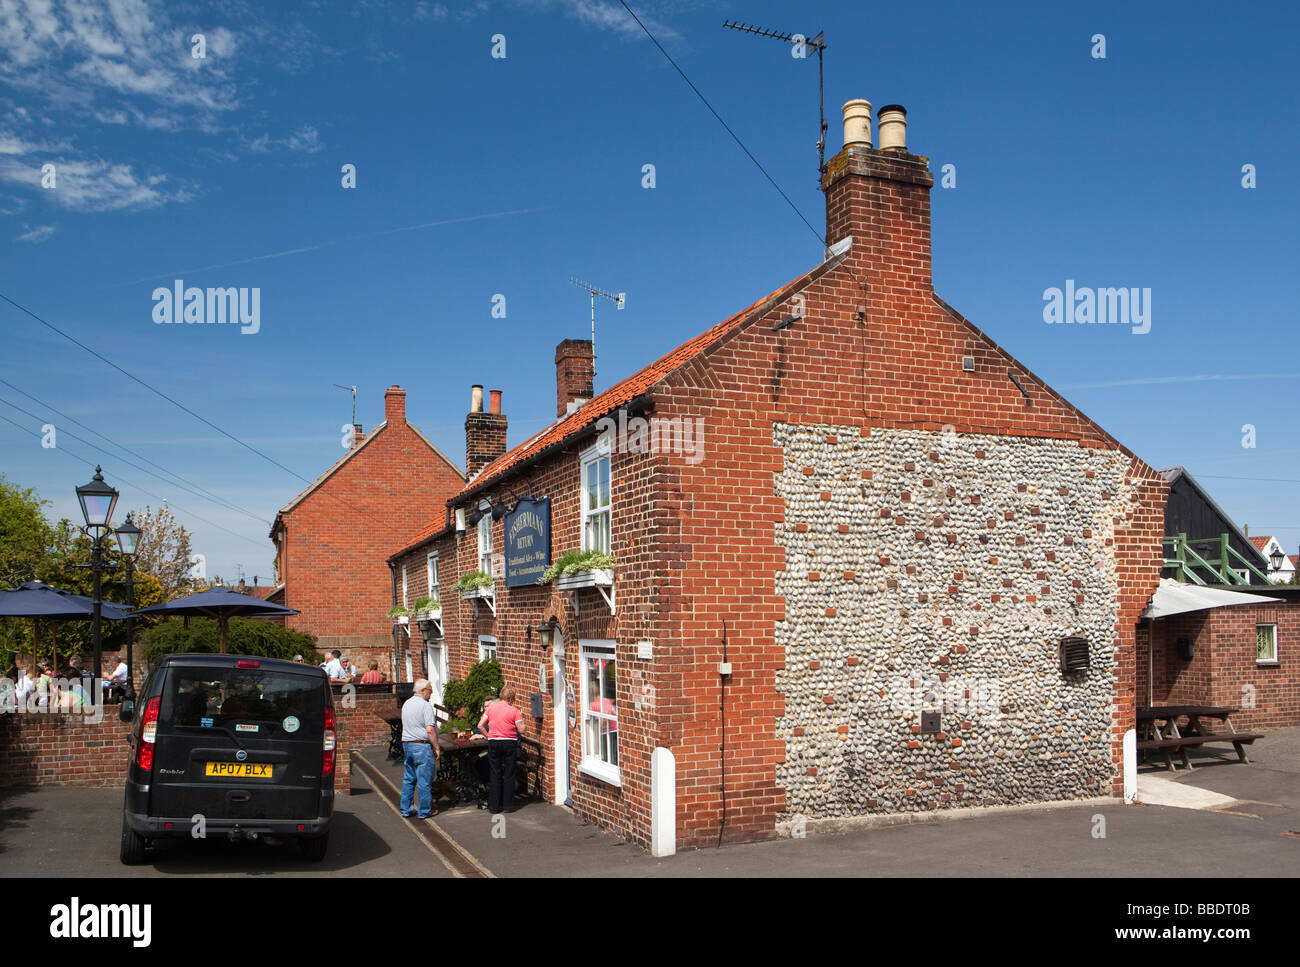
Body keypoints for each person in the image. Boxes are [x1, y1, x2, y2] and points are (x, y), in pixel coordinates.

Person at [478, 685, 525, 814]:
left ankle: (494, 806)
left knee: (495, 773)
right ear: (510, 699)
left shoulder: (491, 708)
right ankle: (508, 805)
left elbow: (480, 725)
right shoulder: (514, 710)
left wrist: (489, 736)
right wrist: (522, 718)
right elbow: (521, 729)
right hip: (509, 743)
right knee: (509, 774)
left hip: (494, 743)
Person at [399, 679, 441, 819]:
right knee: (424, 780)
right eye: (430, 690)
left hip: (407, 744)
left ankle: (406, 809)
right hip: (421, 746)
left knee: (409, 778)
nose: (431, 693)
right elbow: (429, 729)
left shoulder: (406, 704)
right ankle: (424, 811)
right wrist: (436, 747)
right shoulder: (425, 705)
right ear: (423, 691)